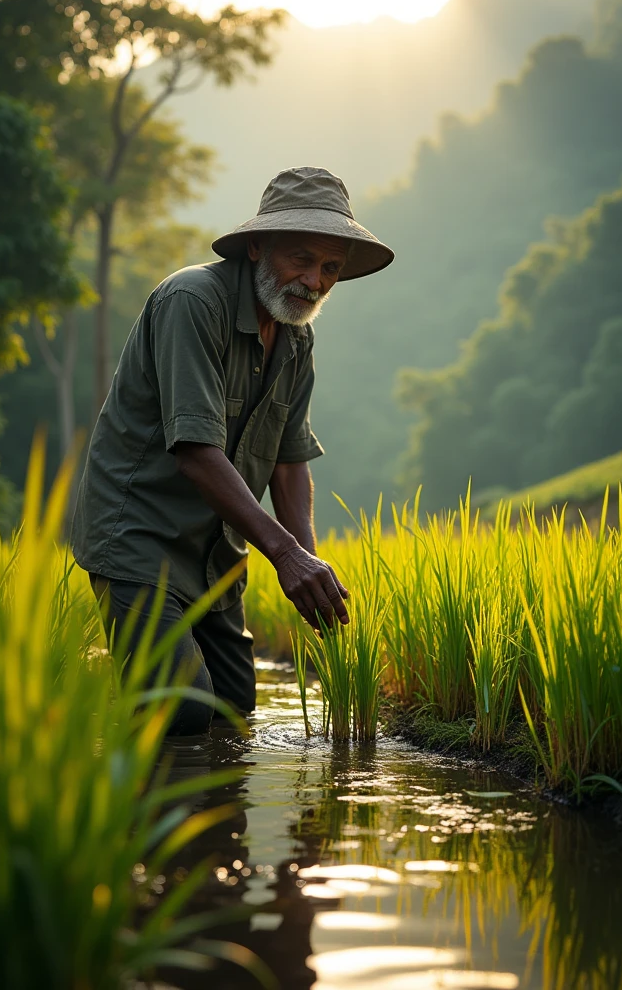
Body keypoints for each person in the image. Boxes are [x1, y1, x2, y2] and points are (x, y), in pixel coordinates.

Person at [71, 166, 394, 733]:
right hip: (139, 537)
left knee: (235, 713)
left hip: (215, 554)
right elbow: (196, 449)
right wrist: (285, 555)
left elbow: (290, 465)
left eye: (330, 269)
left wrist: (309, 569)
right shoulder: (193, 302)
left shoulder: (296, 337)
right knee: (183, 714)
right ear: (255, 246)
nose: (314, 282)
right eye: (301, 258)